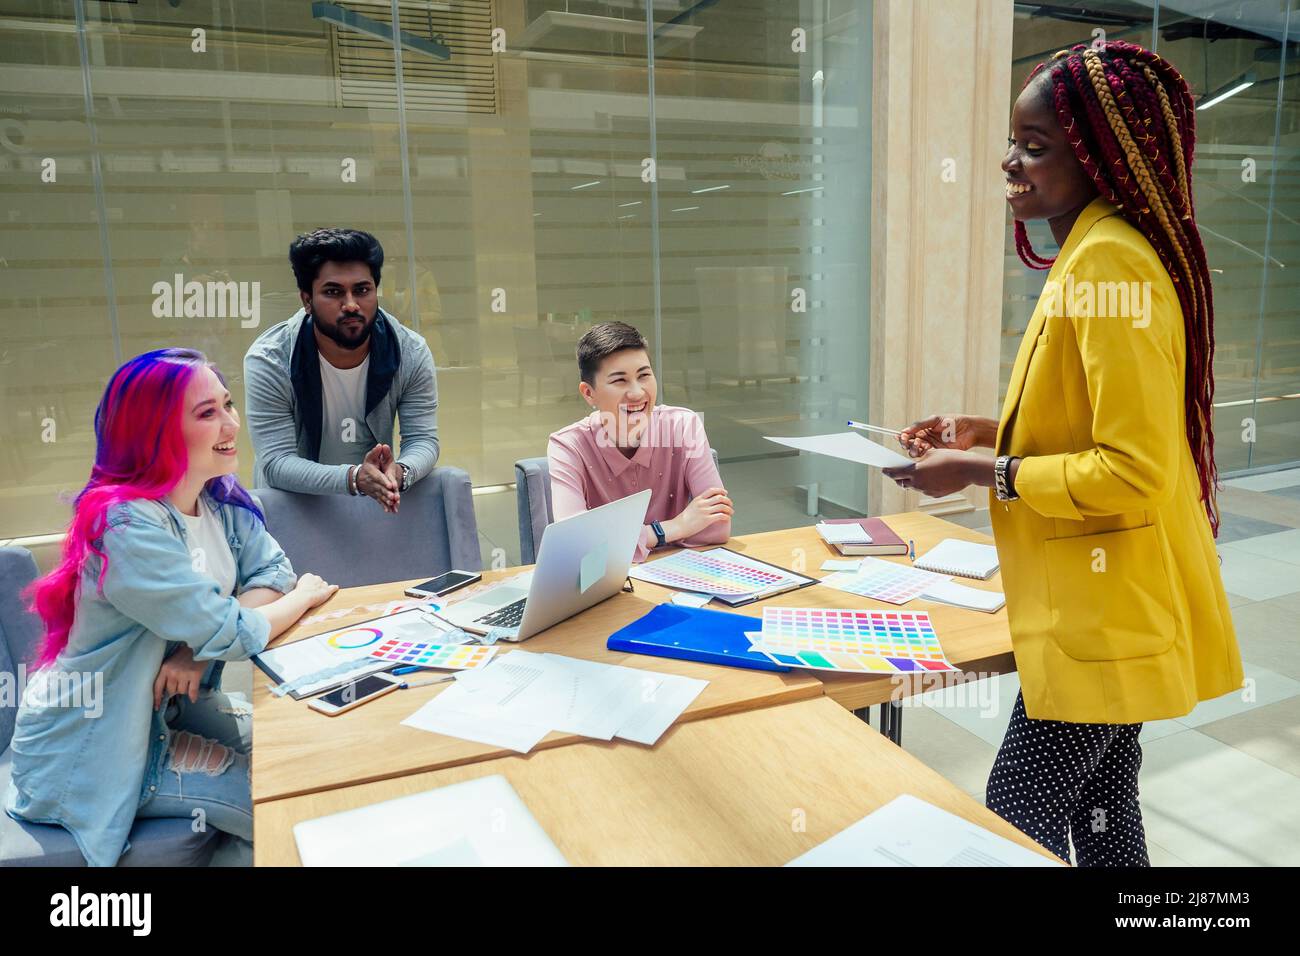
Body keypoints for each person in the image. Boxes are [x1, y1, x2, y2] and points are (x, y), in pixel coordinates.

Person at [883, 41, 1243, 866]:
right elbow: (1097, 421)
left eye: (1037, 146)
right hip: (1106, 610)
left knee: (1015, 816)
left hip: (1105, 616)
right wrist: (982, 430)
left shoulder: (1111, 259)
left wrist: (982, 471)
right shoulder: (1091, 249)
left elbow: (1131, 469)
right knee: (1106, 806)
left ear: (1103, 158)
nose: (1011, 162)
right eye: (1014, 141)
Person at [5, 349, 338, 866]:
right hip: (91, 746)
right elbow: (244, 622)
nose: (231, 423)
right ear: (154, 430)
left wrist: (198, 652)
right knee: (280, 804)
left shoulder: (218, 499)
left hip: (173, 712)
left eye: (228, 404)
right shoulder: (126, 526)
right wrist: (299, 601)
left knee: (309, 752)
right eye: (206, 413)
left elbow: (269, 575)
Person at [243, 228, 439, 513]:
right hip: (295, 508)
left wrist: (401, 472)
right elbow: (276, 462)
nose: (351, 305)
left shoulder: (410, 352)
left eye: (362, 290)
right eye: (333, 292)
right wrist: (354, 478)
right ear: (307, 299)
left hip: (373, 506)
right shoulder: (271, 360)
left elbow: (423, 439)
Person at [548, 322, 733, 562]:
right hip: (604, 589)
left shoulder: (683, 425)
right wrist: (676, 527)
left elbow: (717, 527)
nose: (637, 393)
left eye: (644, 375)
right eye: (620, 381)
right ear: (588, 393)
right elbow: (575, 546)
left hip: (677, 576)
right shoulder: (567, 446)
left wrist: (620, 540)